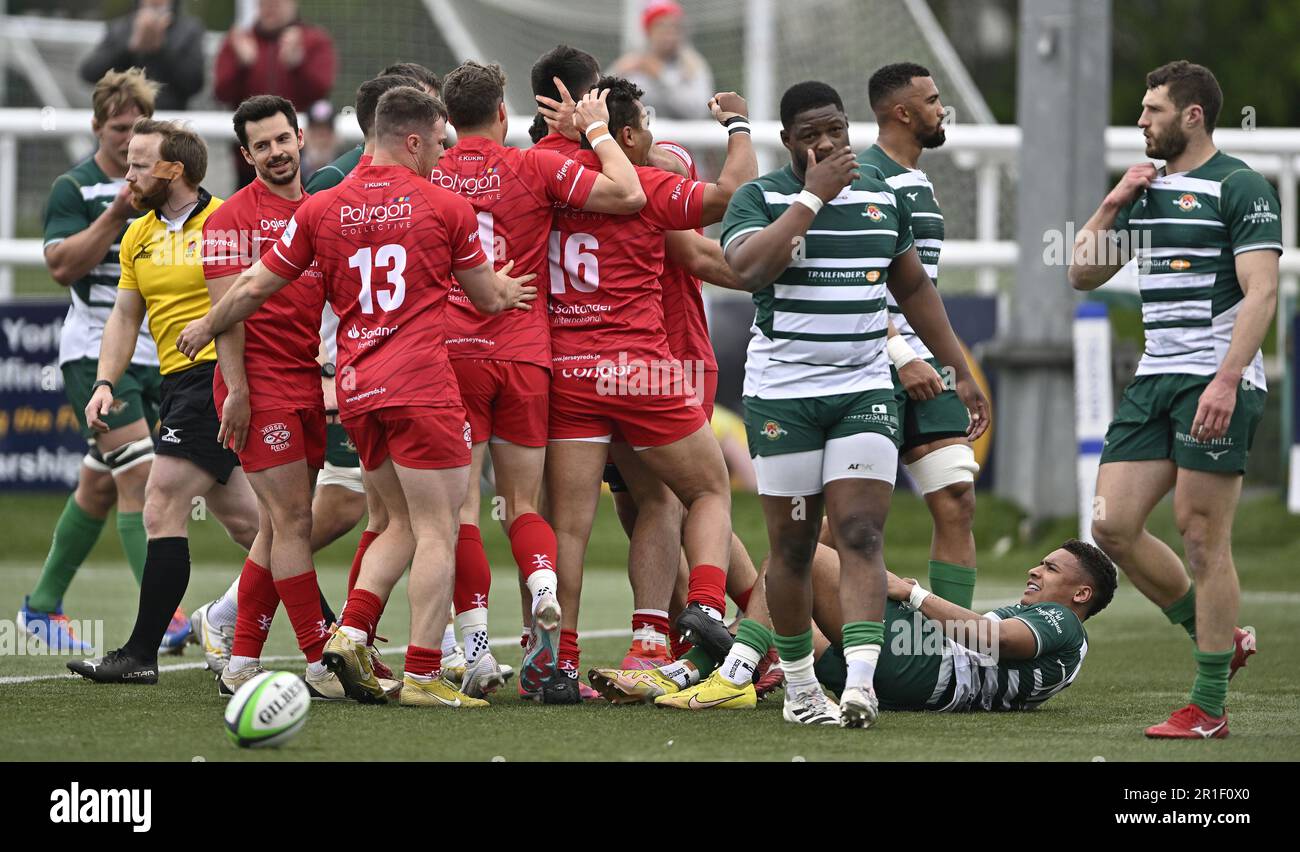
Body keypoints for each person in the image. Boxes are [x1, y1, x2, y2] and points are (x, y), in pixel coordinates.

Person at [177, 87, 536, 709]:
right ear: (415, 139)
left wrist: (207, 326)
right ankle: (425, 672)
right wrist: (508, 291)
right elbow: (484, 298)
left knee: (394, 522)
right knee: (439, 528)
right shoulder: (445, 206)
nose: (441, 157)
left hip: (358, 392)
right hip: (423, 386)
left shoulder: (322, 210)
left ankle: (348, 633)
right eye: (438, 145)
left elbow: (253, 285)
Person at [708, 81, 988, 728]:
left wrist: (959, 370)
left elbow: (915, 287)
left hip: (863, 390)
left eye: (835, 129)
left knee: (862, 532)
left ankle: (862, 684)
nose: (829, 143)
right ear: (788, 142)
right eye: (811, 134)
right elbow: (750, 269)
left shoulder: (881, 197)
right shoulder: (761, 197)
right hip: (785, 396)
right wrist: (812, 196)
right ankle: (803, 690)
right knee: (796, 546)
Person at [1069, 60, 1273, 739]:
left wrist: (1226, 378)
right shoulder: (1147, 191)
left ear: (1192, 116)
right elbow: (1082, 272)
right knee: (1112, 525)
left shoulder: (1240, 185)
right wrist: (1112, 203)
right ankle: (1219, 637)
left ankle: (1209, 707)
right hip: (1156, 378)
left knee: (1200, 535)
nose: (1140, 122)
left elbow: (1262, 292)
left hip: (1216, 379)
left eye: (1153, 110)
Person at [432, 61, 645, 698]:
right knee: (525, 506)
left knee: (460, 509)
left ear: (447, 120)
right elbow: (630, 194)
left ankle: (474, 652)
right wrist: (599, 132)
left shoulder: (430, 174)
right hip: (526, 353)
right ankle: (544, 589)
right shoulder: (533, 166)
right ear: (502, 113)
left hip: (453, 354)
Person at [541, 76, 756, 703]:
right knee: (701, 491)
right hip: (646, 368)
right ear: (626, 130)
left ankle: (558, 661)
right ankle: (698, 617)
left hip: (569, 369)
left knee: (576, 524)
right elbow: (730, 197)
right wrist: (738, 126)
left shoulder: (542, 175)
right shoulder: (648, 185)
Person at [67, 118, 259, 684]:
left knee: (160, 504)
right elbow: (124, 317)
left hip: (214, 378)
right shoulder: (136, 234)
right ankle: (331, 634)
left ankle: (139, 655)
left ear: (173, 169)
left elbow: (250, 301)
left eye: (138, 164)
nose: (128, 176)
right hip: (179, 383)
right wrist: (105, 382)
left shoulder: (227, 218)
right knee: (256, 525)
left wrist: (238, 386)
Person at [19, 69, 185, 654]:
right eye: (117, 128)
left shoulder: (163, 190)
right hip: (94, 356)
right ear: (96, 127)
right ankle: (162, 617)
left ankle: (39, 607)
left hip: (154, 358)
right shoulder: (76, 188)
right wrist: (115, 213)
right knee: (140, 475)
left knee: (99, 486)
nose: (126, 140)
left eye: (137, 129)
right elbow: (62, 267)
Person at [195, 95, 354, 700]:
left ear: (300, 138)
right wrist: (236, 390)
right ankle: (318, 659)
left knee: (275, 526)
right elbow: (224, 314)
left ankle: (240, 661)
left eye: (283, 139)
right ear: (246, 155)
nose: (277, 152)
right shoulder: (230, 219)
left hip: (307, 382)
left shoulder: (320, 211)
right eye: (262, 145)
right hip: (257, 385)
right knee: (292, 520)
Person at [855, 62, 981, 619]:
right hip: (869, 360)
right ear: (902, 112)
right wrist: (899, 353)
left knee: (956, 498)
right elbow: (853, 284)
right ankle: (764, 643)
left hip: (924, 362)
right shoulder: (865, 176)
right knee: (847, 521)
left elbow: (920, 292)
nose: (941, 109)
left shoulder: (918, 178)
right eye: (932, 101)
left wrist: (961, 374)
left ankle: (956, 652)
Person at [214, 0, 336, 187]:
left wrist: (298, 64)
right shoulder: (240, 41)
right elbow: (221, 93)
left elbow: (322, 90)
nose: (270, 7)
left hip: (299, 157)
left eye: (277, 3)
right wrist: (242, 65)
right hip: (250, 160)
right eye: (265, 3)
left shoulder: (314, 40)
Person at [79, 0, 205, 111]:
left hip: (168, 122)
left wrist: (161, 48)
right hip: (122, 119)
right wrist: (129, 48)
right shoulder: (120, 27)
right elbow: (89, 74)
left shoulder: (189, 30)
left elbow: (194, 84)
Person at [612, 1, 714, 120]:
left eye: (674, 27)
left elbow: (698, 111)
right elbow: (605, 101)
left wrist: (661, 76)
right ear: (649, 31)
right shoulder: (631, 64)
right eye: (661, 26)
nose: (669, 34)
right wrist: (618, 73)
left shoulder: (693, 65)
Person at [300, 99, 339, 185]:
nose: (321, 138)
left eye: (327, 129)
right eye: (315, 129)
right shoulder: (290, 169)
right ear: (305, 133)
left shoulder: (347, 171)